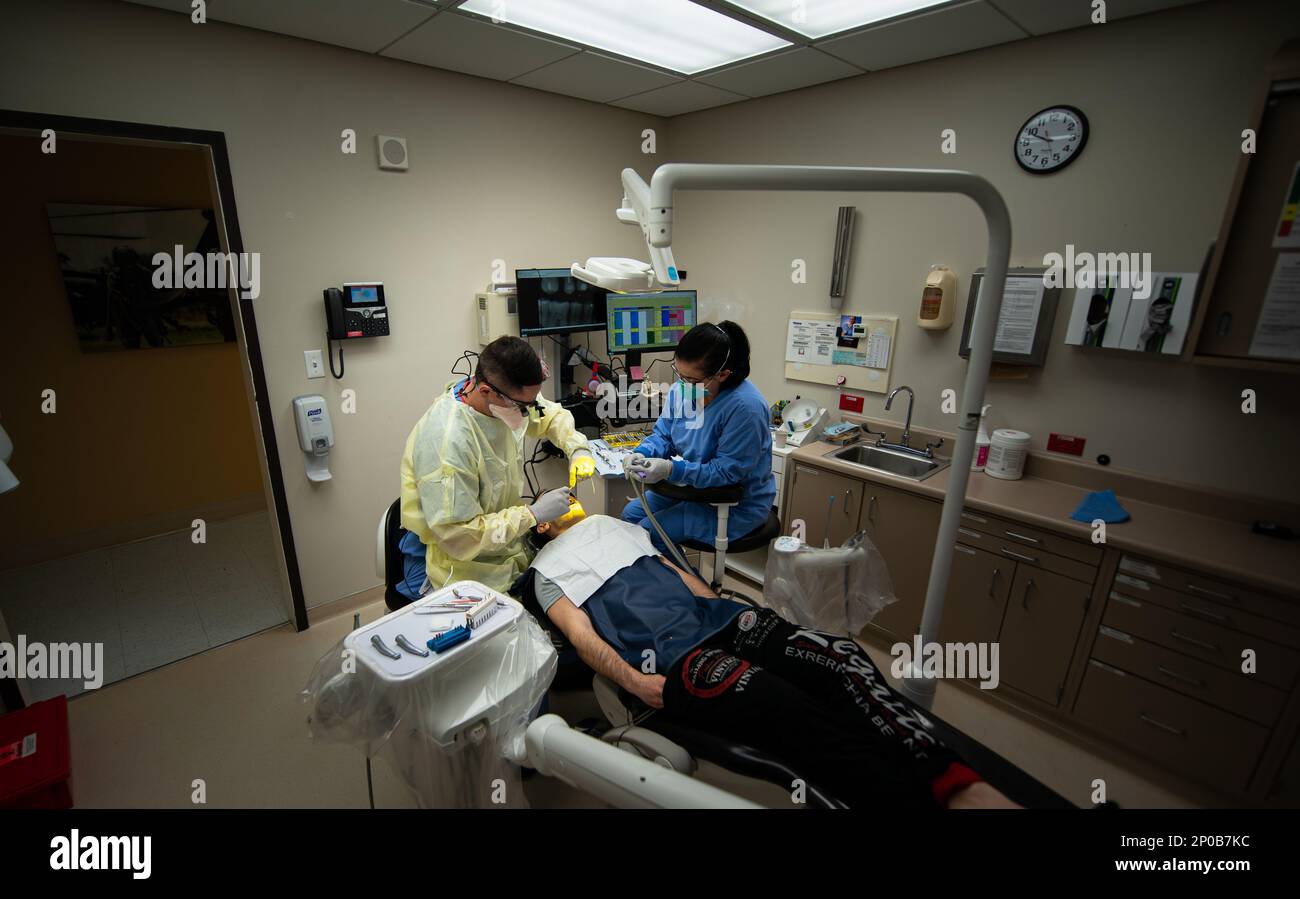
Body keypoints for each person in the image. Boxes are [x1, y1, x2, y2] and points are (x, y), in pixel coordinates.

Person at [516, 513, 1020, 809]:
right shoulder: (547, 570)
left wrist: (726, 607)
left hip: (722, 620)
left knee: (839, 657)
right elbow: (582, 638)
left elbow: (680, 574)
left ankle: (954, 780)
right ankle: (910, 801)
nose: (569, 511)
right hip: (674, 658)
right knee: (781, 703)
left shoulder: (616, 526)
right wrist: (638, 682)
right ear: (541, 530)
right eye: (554, 514)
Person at [397, 336, 595, 597]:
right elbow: (460, 537)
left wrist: (577, 447)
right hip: (453, 560)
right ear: (486, 391)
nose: (529, 412)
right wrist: (532, 516)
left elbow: (549, 415)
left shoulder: (505, 401)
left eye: (531, 403)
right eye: (522, 406)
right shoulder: (448, 443)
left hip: (499, 541)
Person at [621, 321, 774, 551]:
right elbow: (664, 435)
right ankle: (663, 580)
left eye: (691, 380)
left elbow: (726, 472)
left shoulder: (745, 409)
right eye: (678, 374)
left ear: (722, 374)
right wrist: (641, 453)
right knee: (630, 517)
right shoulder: (681, 391)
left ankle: (691, 588)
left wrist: (672, 470)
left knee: (650, 534)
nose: (682, 384)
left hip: (733, 503)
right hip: (696, 488)